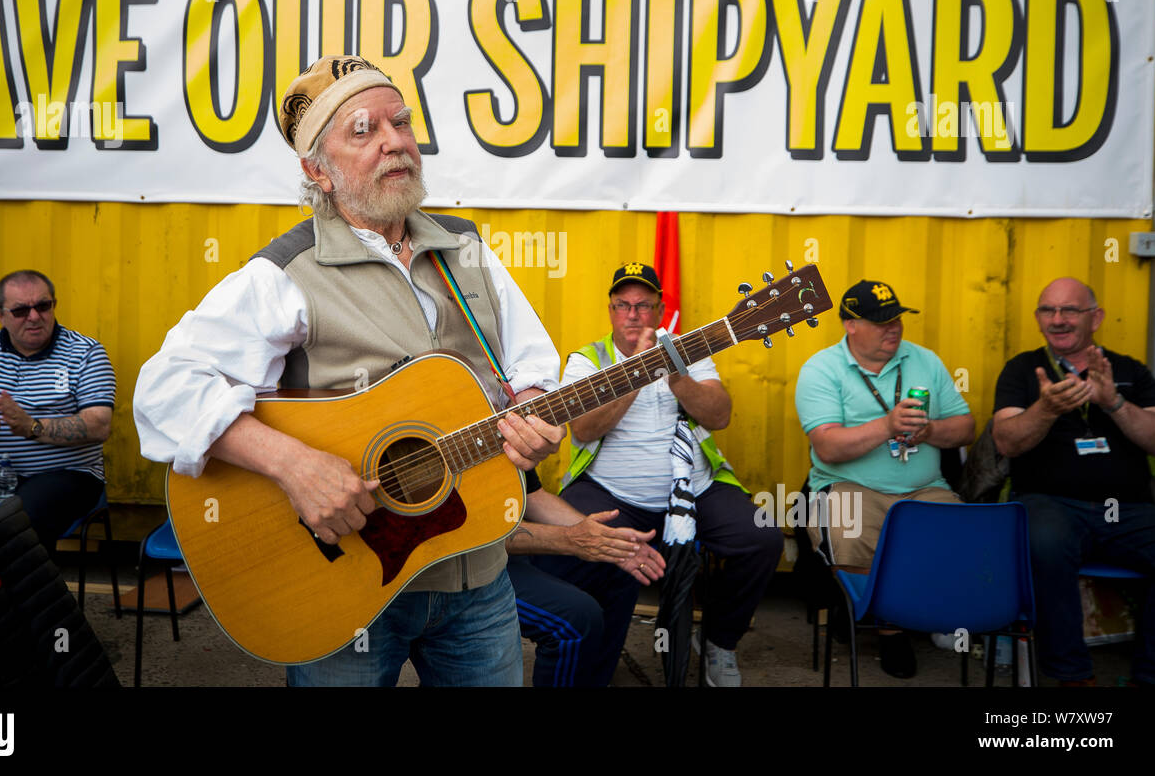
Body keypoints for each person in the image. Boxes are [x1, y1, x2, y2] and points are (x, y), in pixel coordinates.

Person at [133, 55, 564, 687]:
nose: (394, 142)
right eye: (362, 130)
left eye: (400, 122)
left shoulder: (466, 249)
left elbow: (532, 367)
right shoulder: (287, 271)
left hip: (476, 573)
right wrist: (293, 464)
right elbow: (164, 388)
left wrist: (533, 409)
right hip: (344, 578)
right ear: (318, 171)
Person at [534, 262, 781, 687]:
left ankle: (719, 642)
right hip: (612, 490)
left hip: (693, 488)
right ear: (610, 310)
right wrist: (636, 373)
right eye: (623, 305)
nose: (632, 315)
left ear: (660, 309)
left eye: (643, 305)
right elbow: (585, 428)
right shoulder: (587, 359)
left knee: (761, 538)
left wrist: (673, 374)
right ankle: (589, 652)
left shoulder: (689, 349)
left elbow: (719, 415)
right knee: (577, 549)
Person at [794, 279, 974, 678]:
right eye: (880, 321)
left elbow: (966, 429)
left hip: (924, 488)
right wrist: (889, 424)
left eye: (897, 318)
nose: (893, 327)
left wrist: (930, 432)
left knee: (968, 538)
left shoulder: (925, 360)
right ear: (849, 325)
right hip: (848, 487)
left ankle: (906, 614)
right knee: (850, 532)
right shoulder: (821, 369)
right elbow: (828, 447)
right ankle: (889, 628)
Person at [992, 277, 1155, 686]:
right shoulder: (1022, 370)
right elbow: (1007, 441)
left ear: (1096, 317)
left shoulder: (1127, 371)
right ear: (1038, 319)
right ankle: (1071, 676)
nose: (1058, 319)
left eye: (1069, 310)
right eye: (1048, 311)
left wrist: (1115, 404)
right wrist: (1045, 409)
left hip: (1126, 508)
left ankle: (1152, 677)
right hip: (1050, 502)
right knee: (1044, 545)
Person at [0, 269, 113, 551]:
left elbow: (99, 425)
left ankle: (14, 594)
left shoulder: (86, 352)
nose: (34, 317)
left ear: (54, 305)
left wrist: (33, 427)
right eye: (20, 311)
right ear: (0, 315)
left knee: (16, 522)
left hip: (65, 474)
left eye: (43, 306)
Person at [505, 467, 666, 686]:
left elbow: (534, 497)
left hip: (504, 556)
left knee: (617, 559)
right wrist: (571, 539)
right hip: (464, 568)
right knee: (575, 621)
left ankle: (594, 680)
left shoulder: (494, 435)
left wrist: (605, 538)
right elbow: (485, 536)